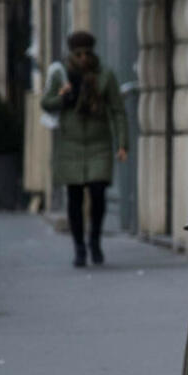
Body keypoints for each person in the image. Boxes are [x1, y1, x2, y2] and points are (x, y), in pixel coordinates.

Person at [40, 31, 129, 267]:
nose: (82, 58)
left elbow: (118, 110)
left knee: (98, 193)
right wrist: (62, 96)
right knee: (74, 197)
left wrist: (122, 143)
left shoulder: (105, 76)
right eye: (78, 54)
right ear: (72, 54)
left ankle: (95, 240)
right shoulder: (62, 75)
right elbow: (45, 103)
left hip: (98, 143)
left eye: (87, 54)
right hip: (70, 145)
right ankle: (79, 247)